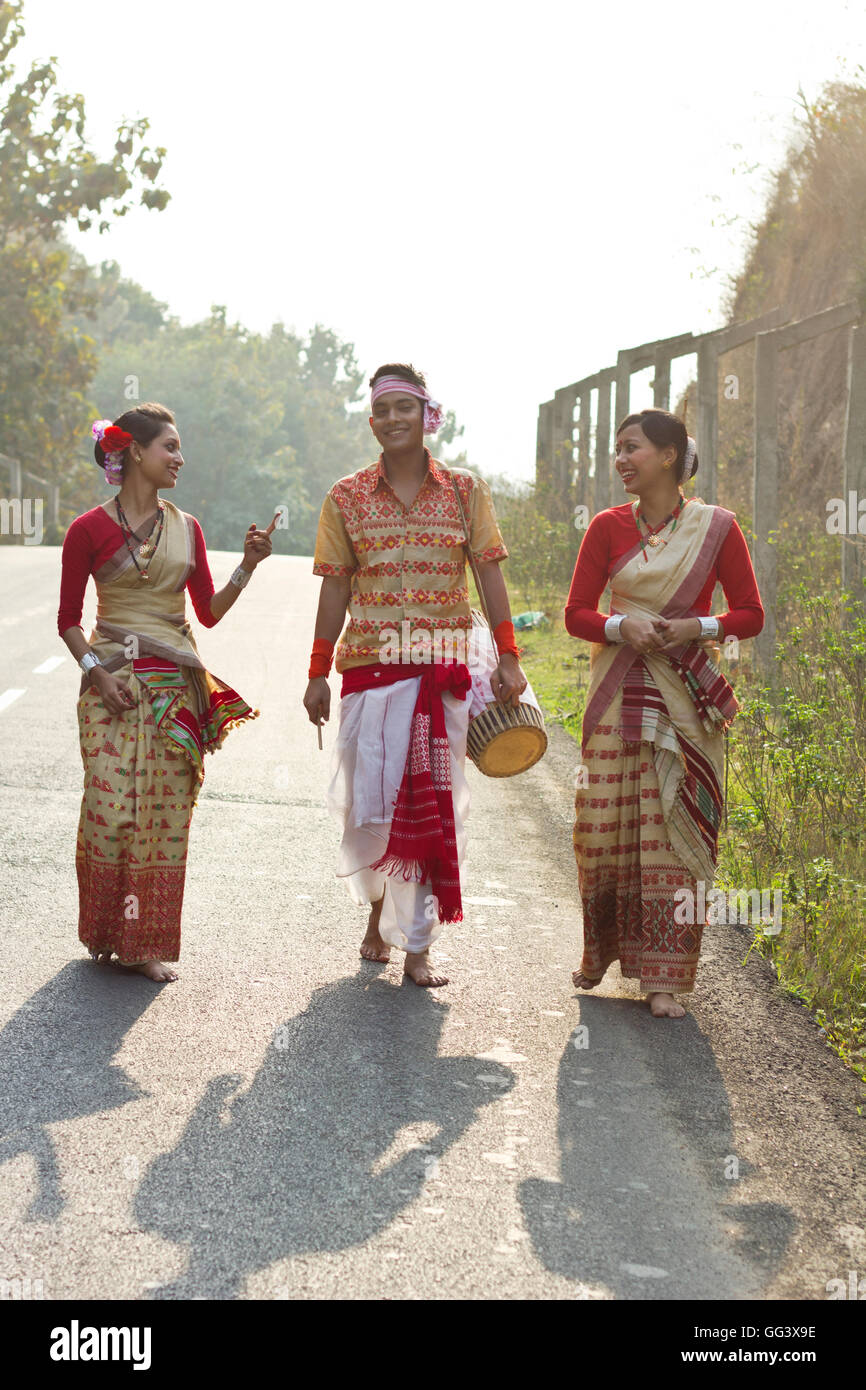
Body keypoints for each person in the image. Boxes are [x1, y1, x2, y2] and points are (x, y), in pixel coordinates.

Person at [303, 363, 526, 987]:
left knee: (430, 808)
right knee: (369, 807)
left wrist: (509, 655)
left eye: (408, 407)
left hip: (440, 671)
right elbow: (335, 588)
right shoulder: (344, 497)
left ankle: (419, 947)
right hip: (370, 673)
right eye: (385, 409)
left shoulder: (464, 492)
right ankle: (376, 917)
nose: (395, 418)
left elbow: (488, 575)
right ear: (372, 421)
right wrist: (317, 672)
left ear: (427, 415)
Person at [58, 403, 275, 982]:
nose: (180, 458)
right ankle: (107, 933)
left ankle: (146, 943)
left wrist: (246, 568)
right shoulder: (88, 529)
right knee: (108, 812)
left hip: (173, 689)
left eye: (179, 449)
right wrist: (97, 673)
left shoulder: (188, 528)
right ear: (135, 452)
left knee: (160, 819)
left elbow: (207, 613)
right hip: (112, 687)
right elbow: (68, 620)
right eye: (170, 448)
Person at [564, 408, 764, 1017]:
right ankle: (601, 954)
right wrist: (622, 624)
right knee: (603, 828)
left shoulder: (717, 528)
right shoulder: (604, 528)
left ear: (670, 456)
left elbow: (750, 615)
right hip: (618, 689)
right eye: (616, 450)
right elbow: (577, 614)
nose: (621, 460)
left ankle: (665, 980)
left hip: (684, 699)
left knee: (671, 831)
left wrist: (691, 626)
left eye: (632, 449)